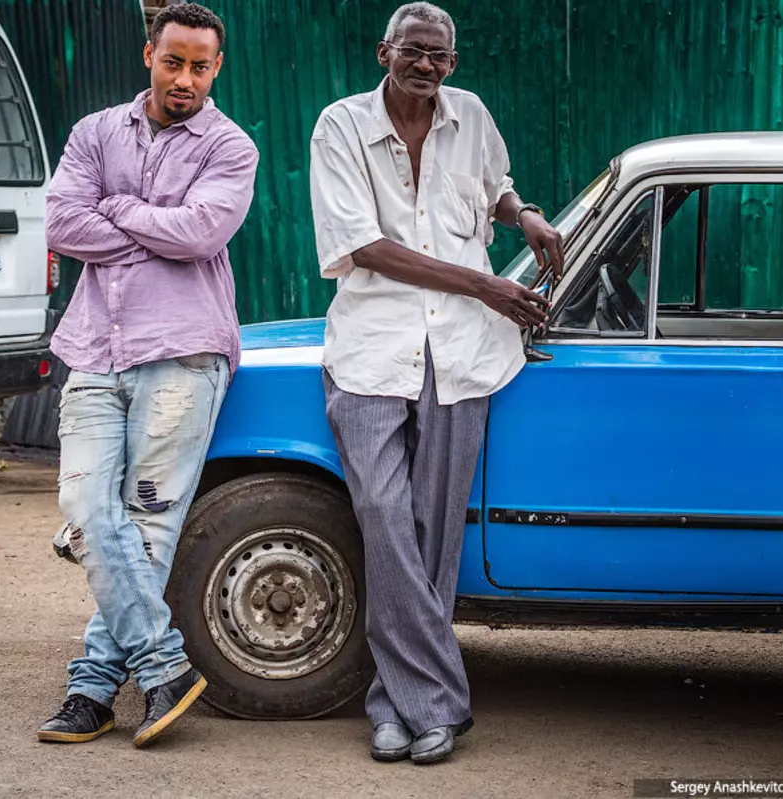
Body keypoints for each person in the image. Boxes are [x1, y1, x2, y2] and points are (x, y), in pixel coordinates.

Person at [308, 1, 564, 765]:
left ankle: (393, 706)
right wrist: (485, 286)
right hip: (370, 347)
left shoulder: (472, 116)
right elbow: (365, 245)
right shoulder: (340, 126)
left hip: (461, 354)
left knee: (433, 532)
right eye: (413, 52)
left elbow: (496, 187)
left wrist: (527, 215)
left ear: (452, 62)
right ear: (384, 50)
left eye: (440, 57)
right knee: (383, 515)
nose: (426, 66)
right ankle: (441, 702)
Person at [36, 2, 258, 748]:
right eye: (174, 62)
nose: (186, 78)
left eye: (200, 66)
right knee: (86, 509)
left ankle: (91, 689)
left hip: (184, 351)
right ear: (148, 56)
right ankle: (163, 666)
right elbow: (63, 223)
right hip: (96, 349)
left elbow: (202, 233)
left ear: (216, 68)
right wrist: (154, 228)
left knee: (148, 525)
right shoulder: (96, 132)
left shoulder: (231, 147)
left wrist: (119, 209)